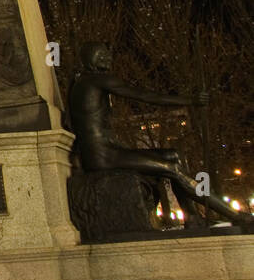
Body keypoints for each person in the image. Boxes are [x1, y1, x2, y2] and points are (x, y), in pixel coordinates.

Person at [69, 42, 252, 226]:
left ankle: (193, 217)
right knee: (171, 168)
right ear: (90, 59)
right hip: (103, 155)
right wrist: (190, 101)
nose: (107, 58)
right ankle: (233, 215)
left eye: (107, 54)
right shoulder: (98, 80)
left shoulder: (81, 84)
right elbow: (145, 96)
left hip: (107, 150)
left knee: (173, 154)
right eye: (101, 55)